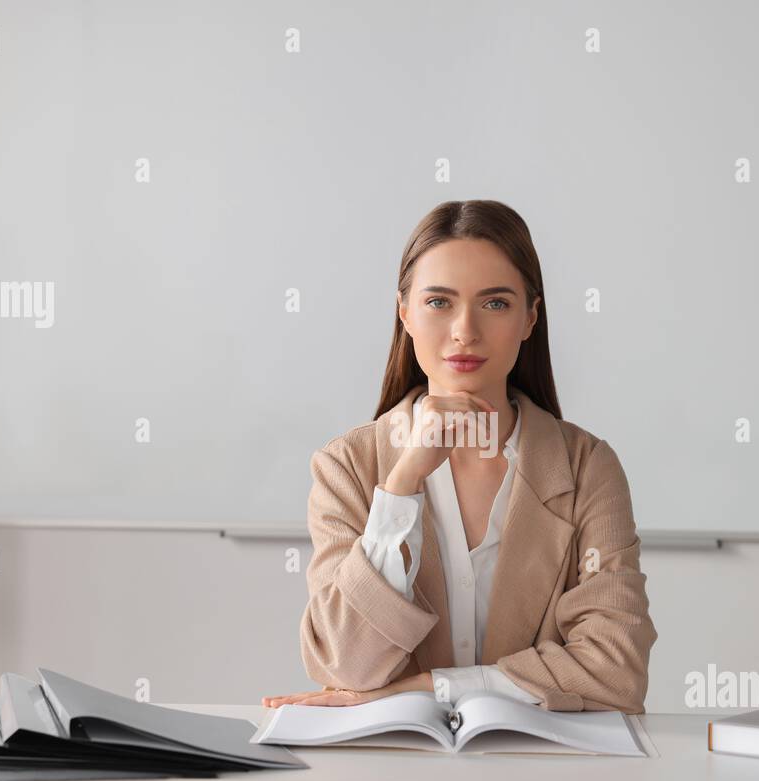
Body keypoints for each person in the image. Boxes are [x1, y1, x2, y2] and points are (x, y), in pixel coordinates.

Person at [262, 200, 657, 713]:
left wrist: (430, 687)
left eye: (495, 303)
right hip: (393, 771)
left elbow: (617, 672)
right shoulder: (347, 466)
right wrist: (401, 485)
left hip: (543, 774)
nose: (465, 331)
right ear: (404, 312)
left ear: (530, 318)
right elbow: (346, 666)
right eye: (438, 302)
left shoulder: (587, 467)